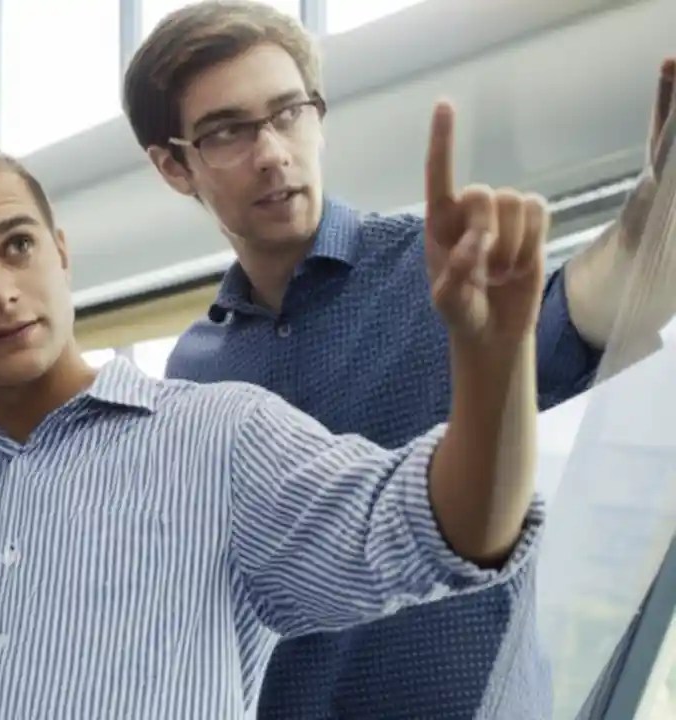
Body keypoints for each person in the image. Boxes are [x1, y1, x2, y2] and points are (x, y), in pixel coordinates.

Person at [0, 132, 548, 719]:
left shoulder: (222, 438)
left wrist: (496, 361)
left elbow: (445, 529)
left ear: (61, 252)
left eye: (17, 246)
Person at [122, 3, 675, 717]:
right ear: (173, 166)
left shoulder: (438, 269)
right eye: (228, 130)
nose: (272, 152)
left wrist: (656, 218)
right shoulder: (194, 369)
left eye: (288, 112)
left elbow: (599, 303)